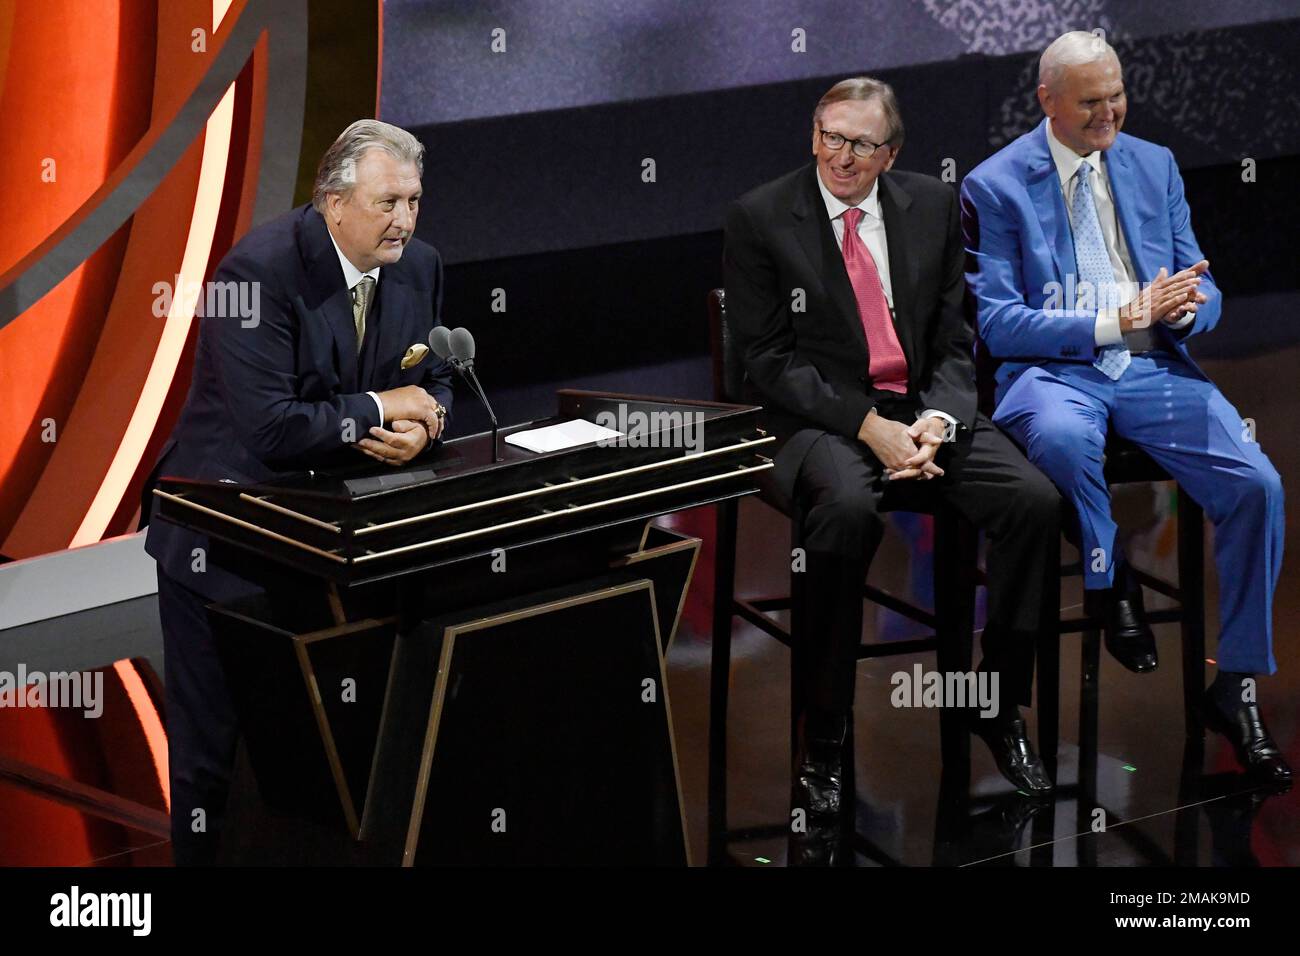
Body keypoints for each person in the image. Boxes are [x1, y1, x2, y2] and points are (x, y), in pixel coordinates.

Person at [724, 77, 1063, 831]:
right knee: (845, 512)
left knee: (1033, 503)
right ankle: (826, 735)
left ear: (892, 153)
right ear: (814, 134)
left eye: (861, 144)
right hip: (814, 418)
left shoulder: (934, 207)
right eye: (830, 137)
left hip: (920, 413)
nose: (842, 156)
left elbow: (952, 339)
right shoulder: (760, 217)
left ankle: (997, 704)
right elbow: (767, 362)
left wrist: (939, 419)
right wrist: (867, 424)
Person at [961, 32, 1289, 784]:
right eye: (1090, 102)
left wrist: (1181, 312)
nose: (1109, 112)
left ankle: (1235, 685)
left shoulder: (1153, 164)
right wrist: (1112, 320)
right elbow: (1001, 324)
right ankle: (1111, 586)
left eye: (1117, 95)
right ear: (1047, 101)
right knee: (1066, 445)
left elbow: (1202, 289)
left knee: (1256, 486)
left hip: (1149, 365)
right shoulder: (994, 185)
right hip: (1052, 370)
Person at [141, 119, 455, 862]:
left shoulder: (420, 265)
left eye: (413, 201)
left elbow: (437, 374)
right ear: (332, 202)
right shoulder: (256, 274)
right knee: (212, 756)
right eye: (388, 202)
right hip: (226, 539)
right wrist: (384, 409)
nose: (404, 220)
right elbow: (272, 431)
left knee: (333, 752)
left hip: (340, 541)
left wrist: (430, 423)